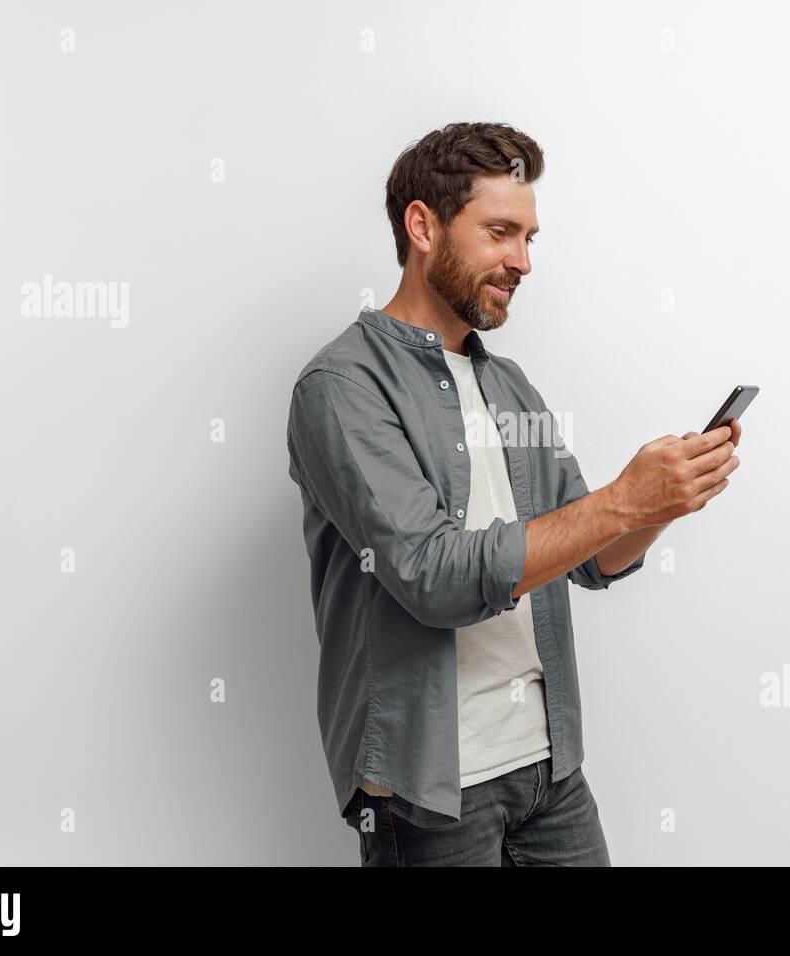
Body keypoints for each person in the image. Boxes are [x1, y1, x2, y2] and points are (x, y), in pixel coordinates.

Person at [285, 121, 740, 866]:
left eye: (530, 238)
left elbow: (591, 559)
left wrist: (659, 505)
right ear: (423, 225)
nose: (523, 261)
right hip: (427, 791)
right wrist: (622, 499)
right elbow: (432, 577)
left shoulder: (508, 385)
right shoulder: (342, 388)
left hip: (550, 773)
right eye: (500, 232)